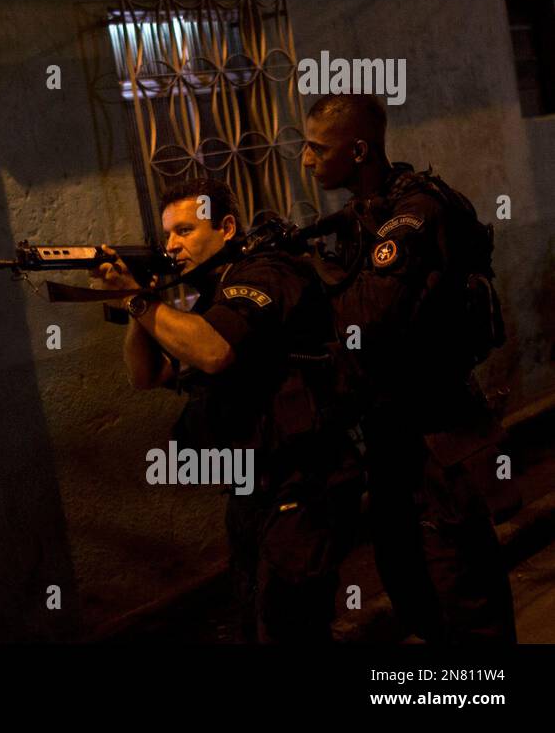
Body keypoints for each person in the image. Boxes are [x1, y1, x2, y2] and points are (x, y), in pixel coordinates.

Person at [95, 178, 359, 642]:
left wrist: (138, 299)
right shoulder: (214, 291)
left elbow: (214, 351)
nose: (173, 245)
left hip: (304, 481)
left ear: (227, 227)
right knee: (254, 619)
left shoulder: (264, 275)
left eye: (186, 230)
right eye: (168, 235)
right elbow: (146, 375)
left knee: (291, 625)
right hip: (255, 486)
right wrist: (141, 301)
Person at [301, 91, 516, 643]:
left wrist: (310, 277)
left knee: (463, 591)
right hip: (393, 436)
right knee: (411, 588)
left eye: (316, 147)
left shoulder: (416, 211)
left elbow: (367, 316)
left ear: (359, 150)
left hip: (438, 433)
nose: (306, 159)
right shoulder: (362, 216)